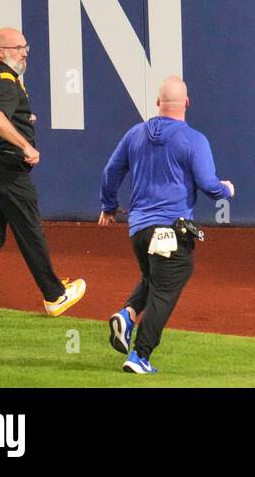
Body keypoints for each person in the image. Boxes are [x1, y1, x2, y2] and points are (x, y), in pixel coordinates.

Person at [0, 28, 87, 322]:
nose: (25, 52)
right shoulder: (6, 80)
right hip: (4, 167)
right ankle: (54, 295)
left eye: (26, 46)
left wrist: (21, 117)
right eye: (18, 47)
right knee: (30, 230)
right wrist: (25, 144)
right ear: (1, 52)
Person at [98, 76, 235, 375]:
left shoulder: (135, 134)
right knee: (169, 285)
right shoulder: (194, 140)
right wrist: (226, 189)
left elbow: (110, 172)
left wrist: (109, 206)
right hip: (172, 229)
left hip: (138, 230)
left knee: (155, 278)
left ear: (158, 103)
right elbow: (208, 185)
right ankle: (140, 355)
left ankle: (128, 314)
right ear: (186, 103)